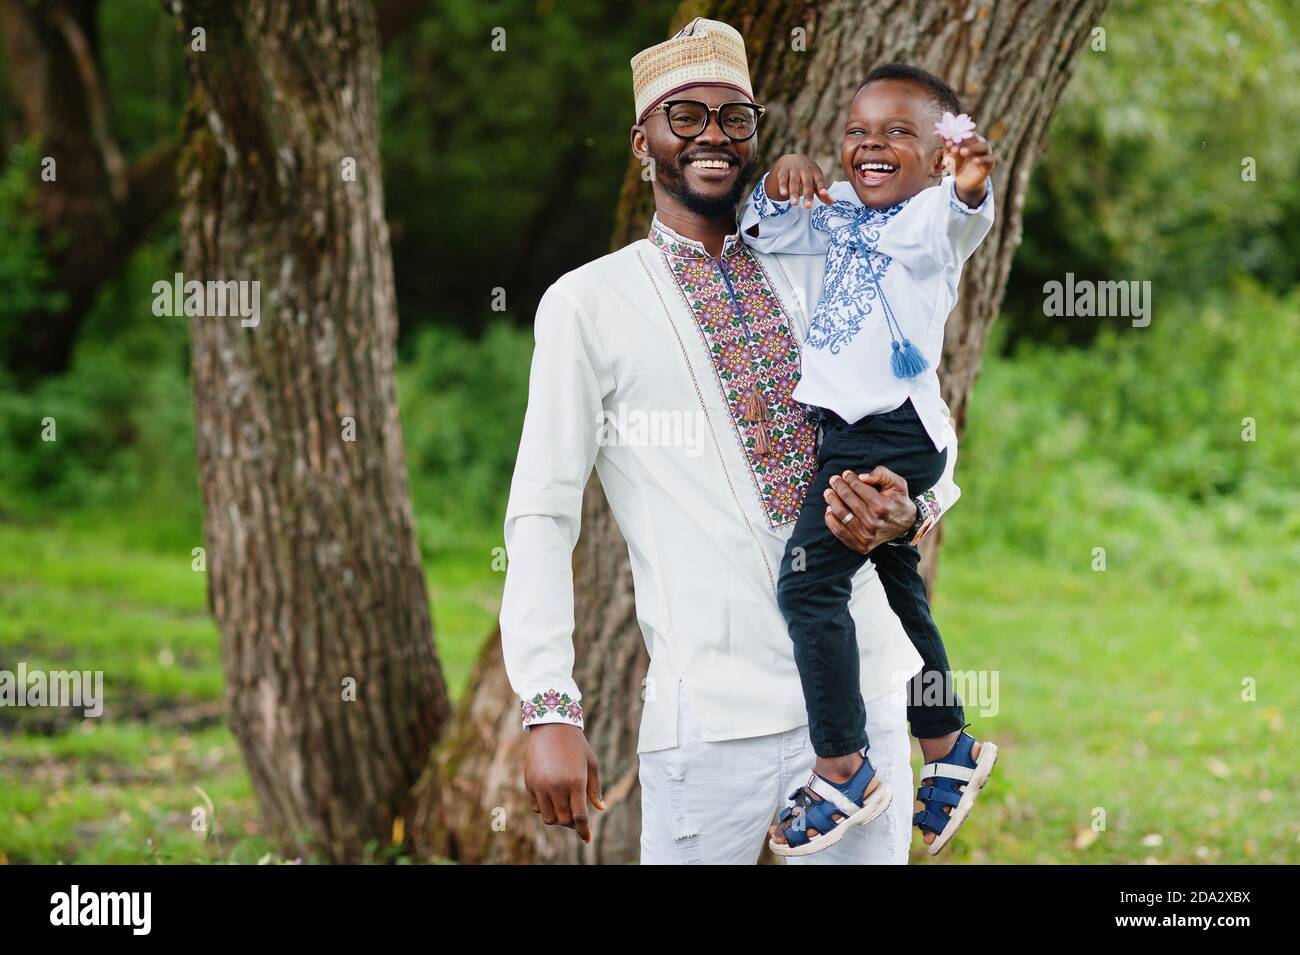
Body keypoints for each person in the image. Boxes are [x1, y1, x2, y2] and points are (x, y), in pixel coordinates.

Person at [500, 18, 960, 865]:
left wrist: (913, 506)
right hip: (711, 716)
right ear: (643, 140)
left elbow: (920, 410)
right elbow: (541, 512)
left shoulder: (820, 256)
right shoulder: (588, 303)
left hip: (861, 699)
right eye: (685, 117)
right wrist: (549, 704)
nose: (712, 135)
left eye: (733, 117)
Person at [740, 64, 999, 856]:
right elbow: (767, 231)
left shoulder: (929, 220)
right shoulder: (841, 208)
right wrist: (783, 183)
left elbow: (964, 214)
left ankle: (843, 765)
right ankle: (948, 747)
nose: (871, 145)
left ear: (933, 158)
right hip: (853, 432)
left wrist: (968, 181)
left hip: (890, 433)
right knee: (895, 588)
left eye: (897, 133)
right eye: (858, 131)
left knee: (806, 583)